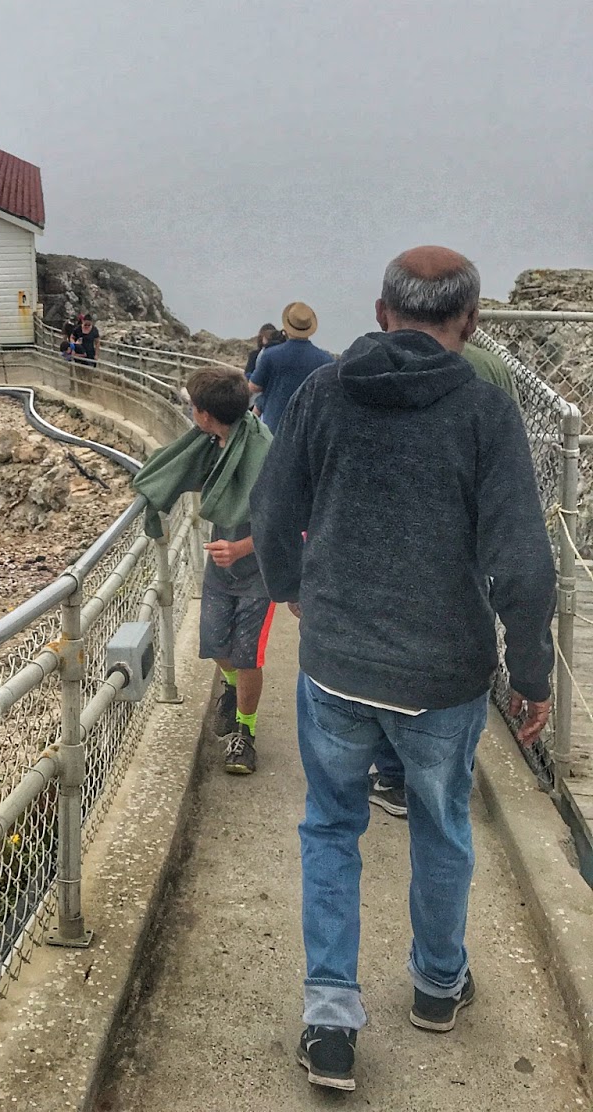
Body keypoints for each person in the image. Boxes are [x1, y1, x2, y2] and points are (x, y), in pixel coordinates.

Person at [250, 247, 555, 1094]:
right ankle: (436, 983)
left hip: (339, 665)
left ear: (382, 312)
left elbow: (273, 509)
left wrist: (293, 594)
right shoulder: (486, 412)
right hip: (442, 676)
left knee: (330, 828)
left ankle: (331, 1024)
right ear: (470, 323)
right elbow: (524, 565)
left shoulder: (322, 393)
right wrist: (531, 673)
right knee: (440, 826)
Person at [369, 327, 522, 818]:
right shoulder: (493, 370)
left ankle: (395, 776)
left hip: (399, 532)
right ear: (469, 318)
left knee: (392, 654)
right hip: (468, 530)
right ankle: (445, 770)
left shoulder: (386, 365)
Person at [133, 366, 274, 776]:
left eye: (194, 407)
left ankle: (244, 734)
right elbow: (178, 463)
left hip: (258, 572)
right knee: (215, 644)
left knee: (249, 657)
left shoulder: (265, 452)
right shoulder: (217, 439)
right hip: (221, 567)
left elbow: (289, 520)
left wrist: (242, 547)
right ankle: (229, 688)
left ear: (205, 415)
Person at [247, 302, 333, 431]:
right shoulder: (326, 360)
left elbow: (254, 387)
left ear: (287, 326)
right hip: (307, 427)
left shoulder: (270, 355)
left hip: (274, 424)